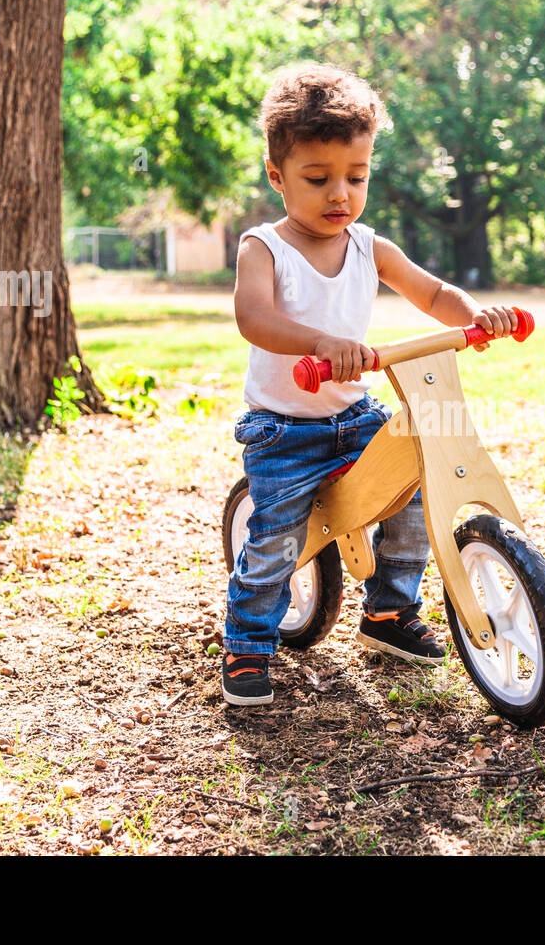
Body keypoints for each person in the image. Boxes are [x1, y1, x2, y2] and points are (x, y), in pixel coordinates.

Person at [223, 62, 519, 706]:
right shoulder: (263, 248)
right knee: (276, 537)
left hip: (353, 415)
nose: (340, 195)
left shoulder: (368, 246)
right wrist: (319, 343)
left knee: (415, 476)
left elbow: (432, 291)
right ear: (277, 177)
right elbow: (256, 318)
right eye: (318, 178)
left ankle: (389, 611)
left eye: (356, 178)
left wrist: (476, 316)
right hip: (284, 429)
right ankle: (247, 643)